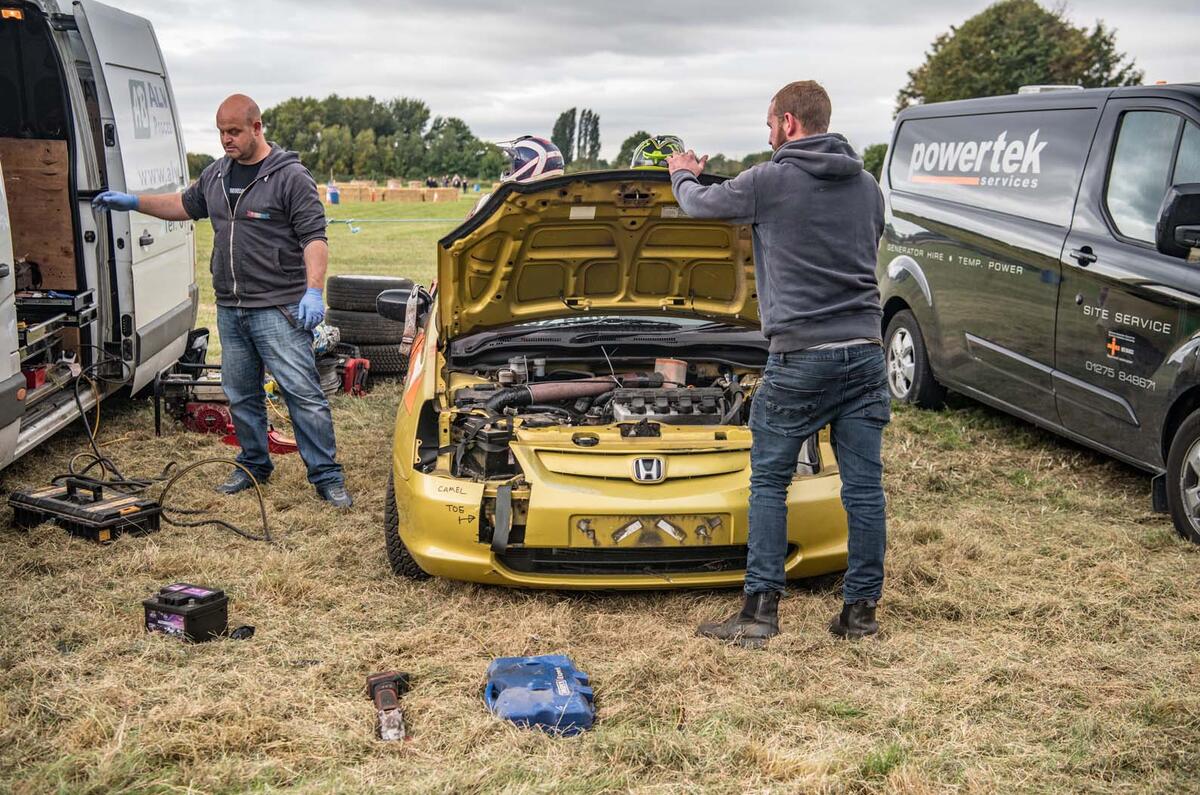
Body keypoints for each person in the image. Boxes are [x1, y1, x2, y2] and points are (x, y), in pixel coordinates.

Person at [667, 80, 888, 647]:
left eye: (769, 126)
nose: (768, 137)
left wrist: (682, 170)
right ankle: (860, 613)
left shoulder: (770, 180)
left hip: (800, 357)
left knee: (768, 479)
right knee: (864, 489)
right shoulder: (867, 187)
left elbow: (696, 205)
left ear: (788, 122)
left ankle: (759, 613)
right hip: (866, 354)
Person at [92, 94, 353, 508]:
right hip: (232, 308)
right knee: (240, 392)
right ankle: (253, 464)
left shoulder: (289, 177)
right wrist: (133, 201)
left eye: (233, 131)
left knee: (301, 392)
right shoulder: (215, 176)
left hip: (278, 308)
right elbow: (182, 204)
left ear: (257, 127)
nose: (226, 139)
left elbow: (314, 237)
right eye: (220, 132)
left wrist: (314, 289)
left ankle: (326, 477)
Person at [467, 135, 565, 218]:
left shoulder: (492, 202)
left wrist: (481, 203)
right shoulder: (570, 205)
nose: (510, 169)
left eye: (513, 164)